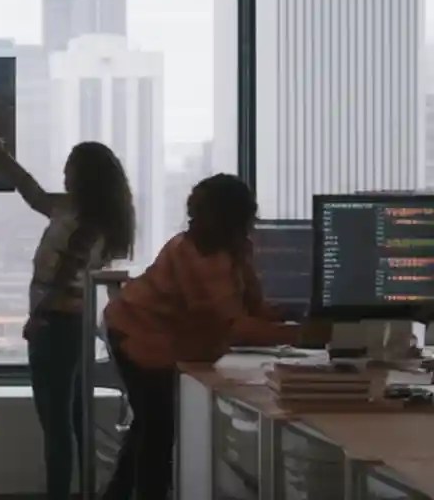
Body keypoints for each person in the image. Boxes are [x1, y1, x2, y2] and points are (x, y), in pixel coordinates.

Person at [101, 174, 331, 500]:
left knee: (150, 428)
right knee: (157, 429)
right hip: (137, 336)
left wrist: (292, 319)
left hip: (153, 336)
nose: (194, 219)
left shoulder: (233, 250)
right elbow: (233, 325)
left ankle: (121, 494)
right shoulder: (194, 256)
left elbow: (252, 306)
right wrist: (302, 335)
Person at [0, 139, 135, 500]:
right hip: (75, 326)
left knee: (56, 424)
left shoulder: (84, 222)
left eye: (70, 167)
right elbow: (35, 195)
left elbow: (65, 276)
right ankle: (84, 491)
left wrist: (36, 318)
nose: (65, 173)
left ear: (85, 176)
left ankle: (60, 493)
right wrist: (4, 162)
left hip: (56, 325)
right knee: (74, 420)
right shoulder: (86, 213)